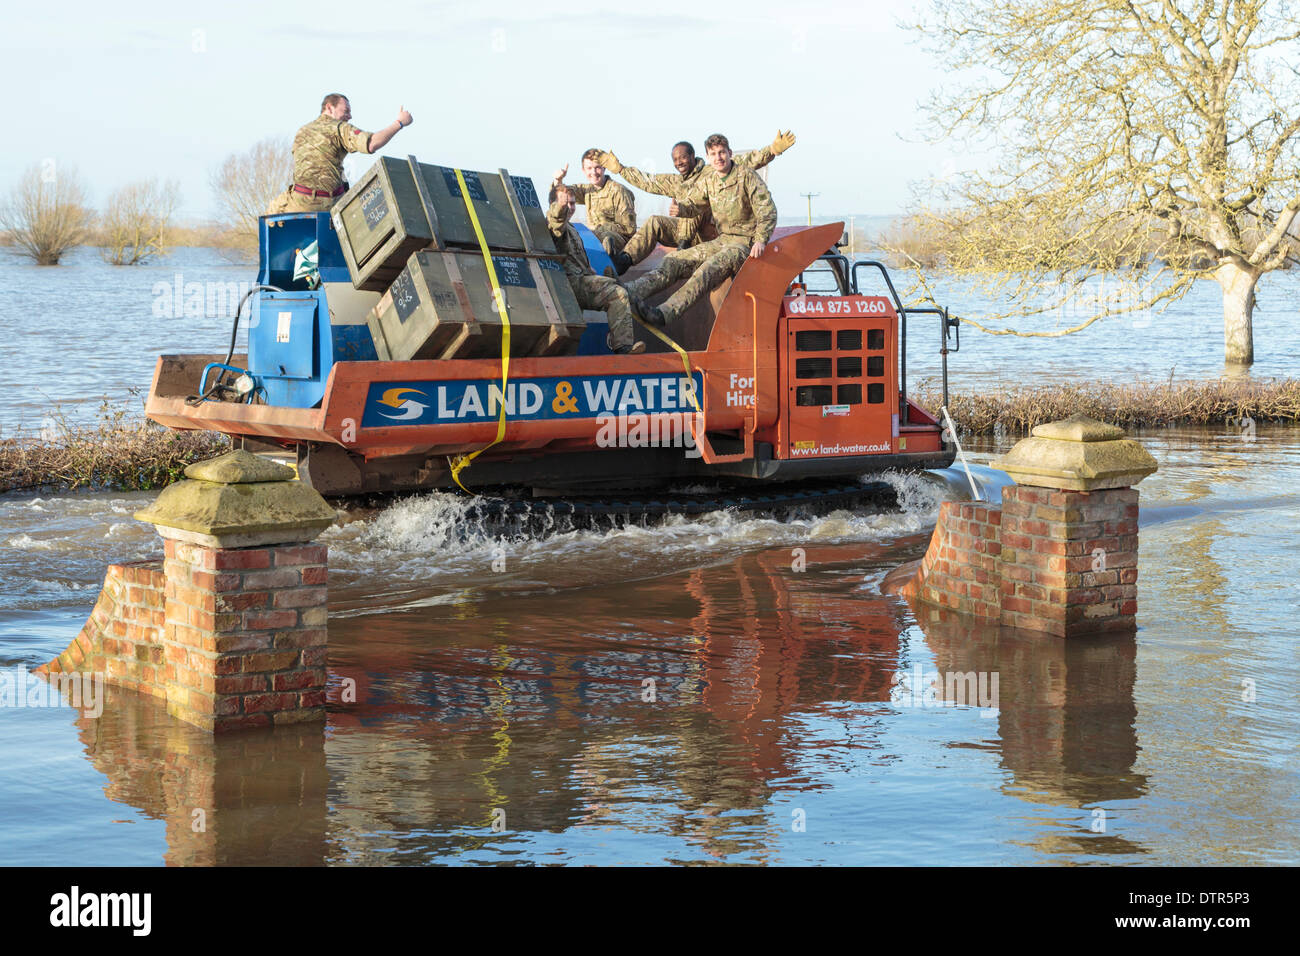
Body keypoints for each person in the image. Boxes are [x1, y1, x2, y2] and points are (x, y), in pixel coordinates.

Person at [609, 134, 777, 329]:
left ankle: (664, 313)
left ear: (729, 153)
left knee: (706, 270)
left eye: (722, 152)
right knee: (674, 261)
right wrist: (681, 209)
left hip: (743, 244)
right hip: (722, 241)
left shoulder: (746, 176)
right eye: (713, 154)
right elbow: (695, 202)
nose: (719, 158)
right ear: (708, 156)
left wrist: (760, 240)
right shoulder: (710, 180)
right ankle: (630, 292)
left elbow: (767, 210)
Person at [605, 131, 794, 272]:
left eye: (683, 157)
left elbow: (749, 160)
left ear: (693, 156)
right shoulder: (676, 182)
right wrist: (621, 170)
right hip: (683, 234)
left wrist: (772, 150)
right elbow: (648, 181)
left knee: (695, 203)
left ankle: (683, 251)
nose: (679, 162)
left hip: (709, 235)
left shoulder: (712, 172)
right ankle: (623, 261)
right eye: (675, 160)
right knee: (655, 221)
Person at [265, 94, 413, 214]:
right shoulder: (339, 128)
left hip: (298, 203)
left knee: (271, 213)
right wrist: (399, 123)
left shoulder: (302, 131)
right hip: (328, 204)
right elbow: (371, 144)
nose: (350, 116)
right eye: (346, 111)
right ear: (329, 108)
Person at [547, 184, 645, 355]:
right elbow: (556, 222)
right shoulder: (554, 224)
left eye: (572, 203)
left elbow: (571, 256)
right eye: (566, 203)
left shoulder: (572, 229)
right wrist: (559, 206)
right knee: (617, 294)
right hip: (571, 285)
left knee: (613, 285)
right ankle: (623, 348)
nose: (570, 208)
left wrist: (586, 267)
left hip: (579, 279)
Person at [550, 149, 636, 255]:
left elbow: (629, 229)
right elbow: (560, 195)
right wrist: (558, 180)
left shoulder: (619, 191)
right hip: (592, 241)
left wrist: (598, 231)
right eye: (589, 168)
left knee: (606, 238)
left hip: (617, 244)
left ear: (604, 167)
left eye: (597, 168)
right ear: (583, 170)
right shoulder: (586, 190)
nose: (593, 172)